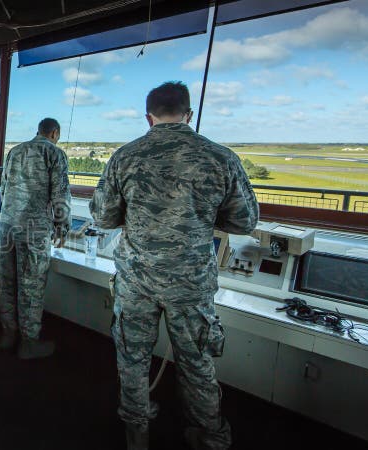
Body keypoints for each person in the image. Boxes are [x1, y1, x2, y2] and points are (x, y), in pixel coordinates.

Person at [90, 82, 259, 450]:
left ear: (149, 117)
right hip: (190, 282)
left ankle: (137, 431)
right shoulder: (220, 157)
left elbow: (103, 217)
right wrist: (201, 218)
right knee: (196, 363)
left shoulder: (125, 157)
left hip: (137, 279)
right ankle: (210, 435)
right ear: (189, 114)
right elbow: (245, 221)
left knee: (132, 359)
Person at [0, 117, 71, 359]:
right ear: (55, 133)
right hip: (33, 230)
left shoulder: (15, 151)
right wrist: (62, 228)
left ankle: (9, 334)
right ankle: (28, 343)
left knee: (8, 281)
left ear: (37, 131)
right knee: (30, 286)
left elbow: (3, 187)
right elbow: (60, 195)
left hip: (8, 224)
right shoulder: (55, 153)